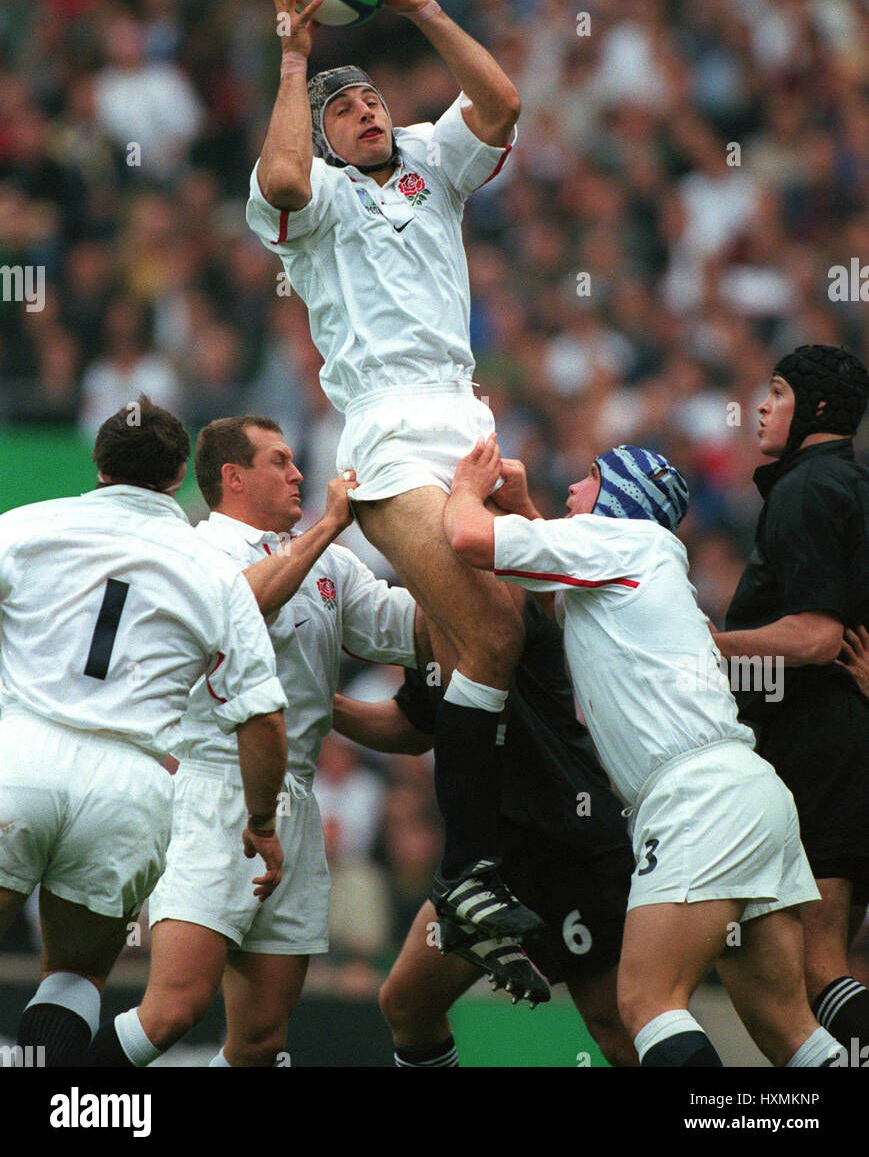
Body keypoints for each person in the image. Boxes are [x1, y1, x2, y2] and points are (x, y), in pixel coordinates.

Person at [246, 0, 537, 940]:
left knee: (496, 637)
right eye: (344, 111)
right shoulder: (319, 201)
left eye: (369, 98)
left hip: (468, 425)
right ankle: (468, 870)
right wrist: (295, 60)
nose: (366, 112)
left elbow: (497, 104)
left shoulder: (426, 157)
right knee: (490, 633)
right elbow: (282, 178)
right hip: (385, 439)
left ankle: (492, 850)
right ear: (325, 138)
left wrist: (415, 2)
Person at [442, 434, 845, 1067]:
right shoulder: (637, 555)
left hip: (696, 799)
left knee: (648, 1001)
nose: (572, 487)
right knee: (789, 1031)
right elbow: (563, 578)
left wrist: (466, 488)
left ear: (618, 496)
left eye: (589, 477)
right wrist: (525, 509)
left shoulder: (620, 543)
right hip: (748, 792)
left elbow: (466, 539)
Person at [84, 414, 424, 1068]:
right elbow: (233, 609)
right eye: (279, 461)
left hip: (296, 797)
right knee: (174, 1009)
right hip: (214, 789)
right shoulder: (196, 553)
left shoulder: (333, 564)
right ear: (233, 478)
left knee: (263, 1038)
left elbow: (404, 629)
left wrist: (468, 563)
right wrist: (328, 526)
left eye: (295, 460)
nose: (299, 474)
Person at [0, 398, 287, 1067]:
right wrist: (262, 820)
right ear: (179, 474)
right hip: (130, 784)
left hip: (22, 755)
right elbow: (264, 718)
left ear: (98, 464)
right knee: (74, 975)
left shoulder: (23, 527)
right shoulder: (215, 569)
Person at [333, 595, 639, 1068]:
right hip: (487, 861)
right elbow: (413, 729)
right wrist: (320, 702)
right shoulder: (430, 613)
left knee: (616, 1029)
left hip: (565, 841)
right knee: (408, 1004)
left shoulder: (501, 593)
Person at [717, 344, 869, 1058]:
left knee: (816, 969)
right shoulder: (854, 484)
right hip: (847, 741)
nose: (759, 406)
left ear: (811, 409)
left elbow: (813, 637)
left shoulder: (805, 492)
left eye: (775, 392)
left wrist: (705, 646)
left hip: (819, 745)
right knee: (815, 968)